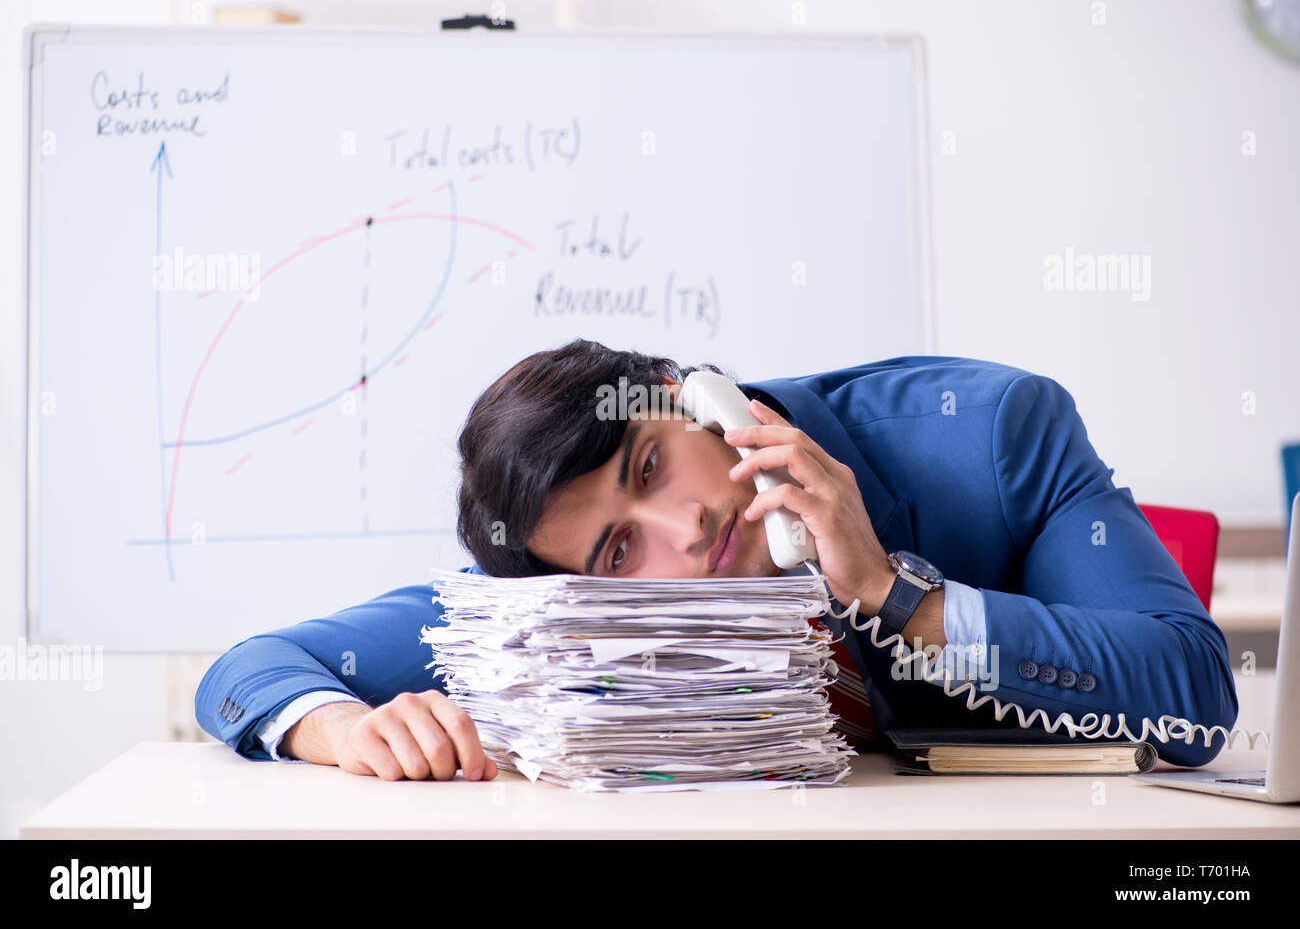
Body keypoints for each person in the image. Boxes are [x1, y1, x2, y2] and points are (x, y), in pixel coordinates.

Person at [195, 339, 1239, 780]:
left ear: (684, 392)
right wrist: (339, 727)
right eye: (617, 547)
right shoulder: (577, 606)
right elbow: (253, 667)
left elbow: (1193, 701)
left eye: (653, 464)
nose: (683, 530)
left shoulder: (995, 433)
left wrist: (891, 595)